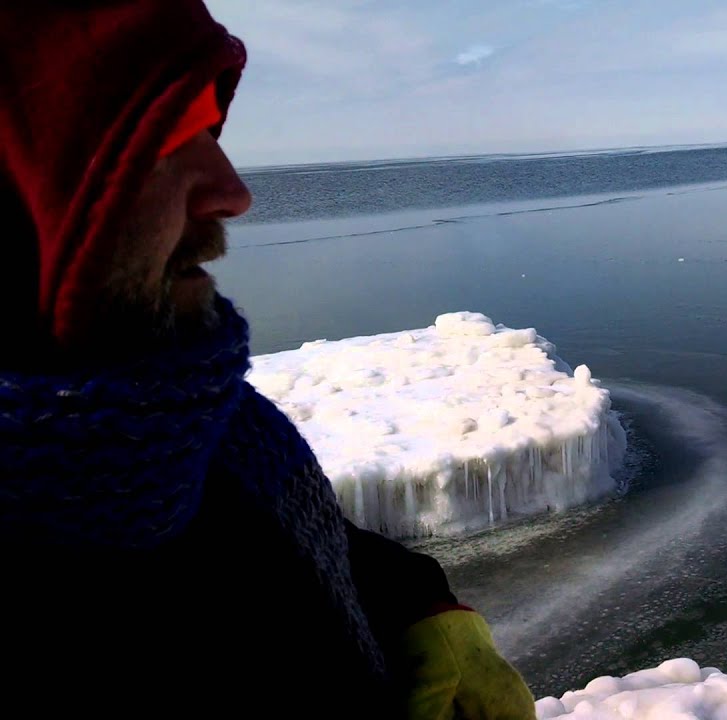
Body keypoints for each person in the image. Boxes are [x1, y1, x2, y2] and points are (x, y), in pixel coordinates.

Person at [0, 2, 535, 718]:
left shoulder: (189, 429)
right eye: (165, 137)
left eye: (210, 132)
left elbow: (269, 544)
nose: (235, 193)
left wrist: (413, 602)